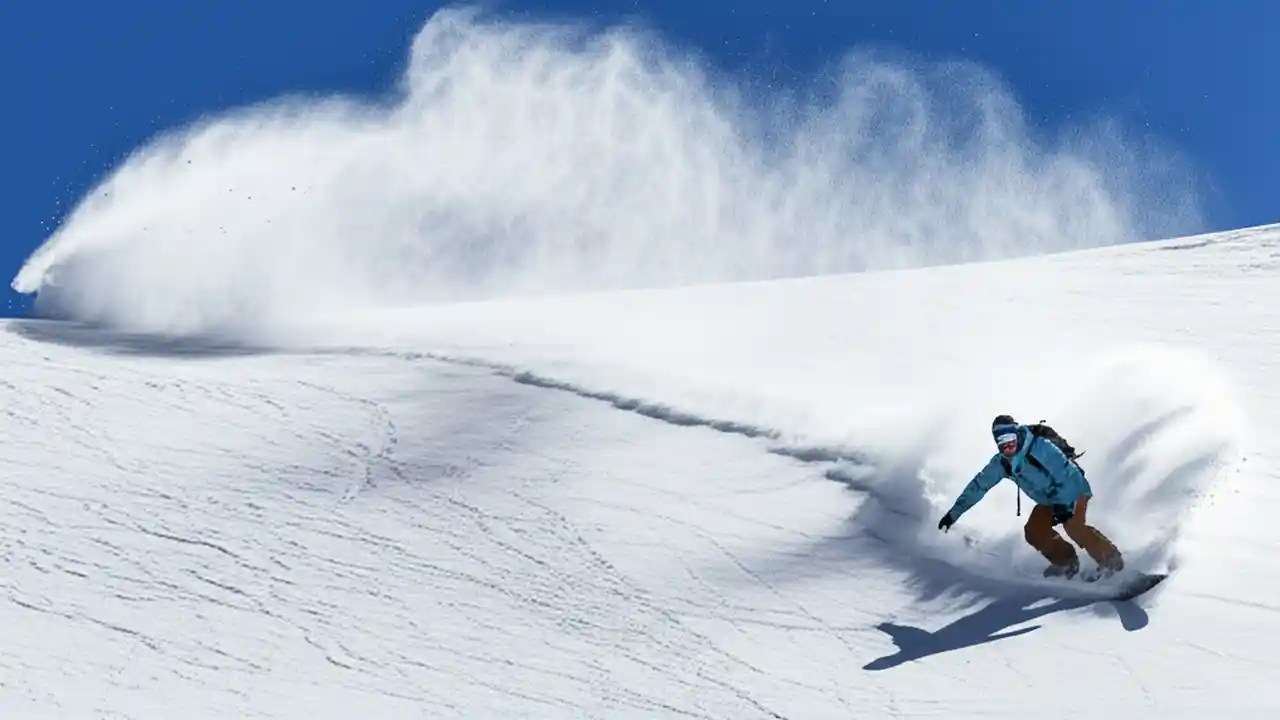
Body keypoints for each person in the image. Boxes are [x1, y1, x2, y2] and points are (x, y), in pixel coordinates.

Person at [936, 415, 1124, 578]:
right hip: (1049, 500)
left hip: (1073, 490)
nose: (1007, 444)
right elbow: (978, 487)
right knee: (1034, 531)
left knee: (1073, 526)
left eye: (1010, 437)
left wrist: (1062, 505)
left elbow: (1067, 474)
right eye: (1001, 441)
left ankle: (1113, 563)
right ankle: (1067, 562)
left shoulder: (1039, 447)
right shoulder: (1001, 464)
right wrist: (953, 514)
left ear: (1016, 434)